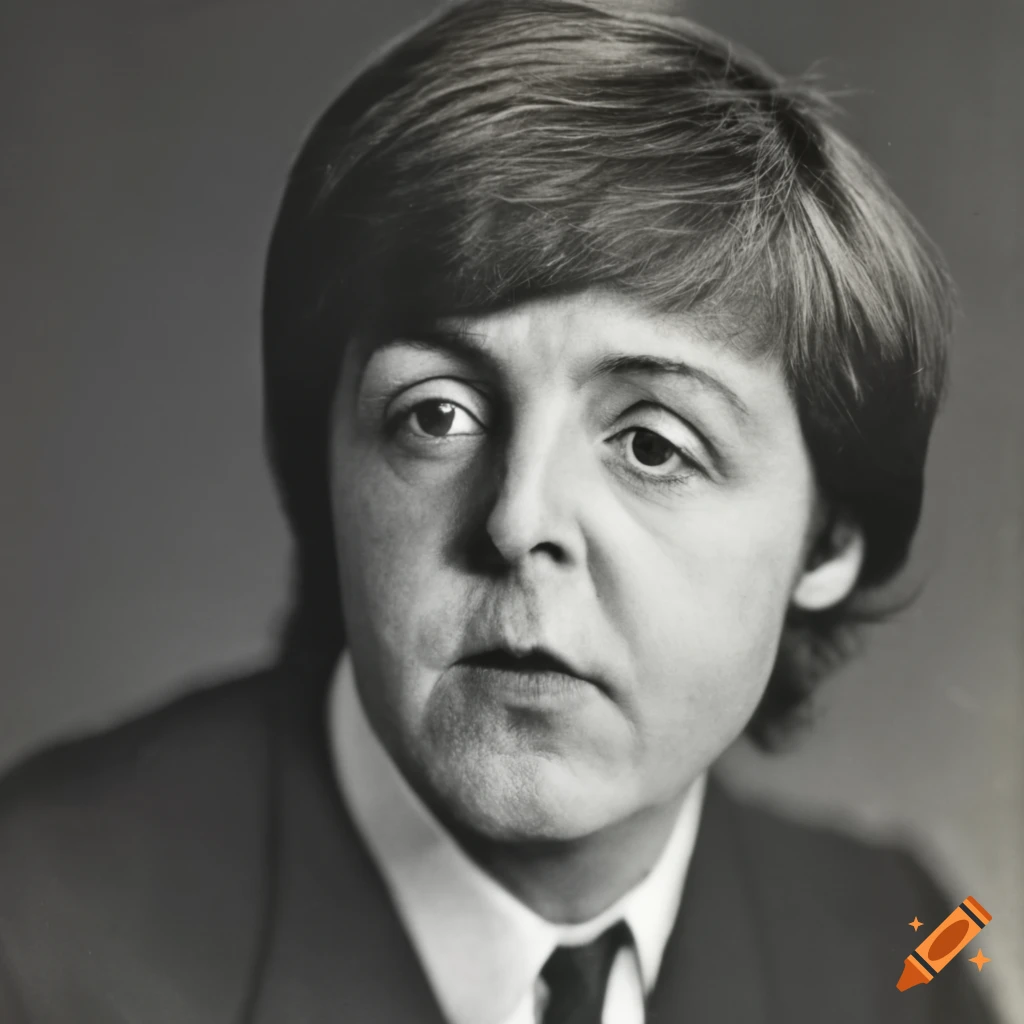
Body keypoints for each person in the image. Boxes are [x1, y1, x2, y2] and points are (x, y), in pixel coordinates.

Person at [0, 1, 1000, 1021]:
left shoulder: (898, 944)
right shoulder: (30, 940)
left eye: (652, 445)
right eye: (436, 414)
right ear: (327, 458)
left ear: (827, 539)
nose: (519, 519)